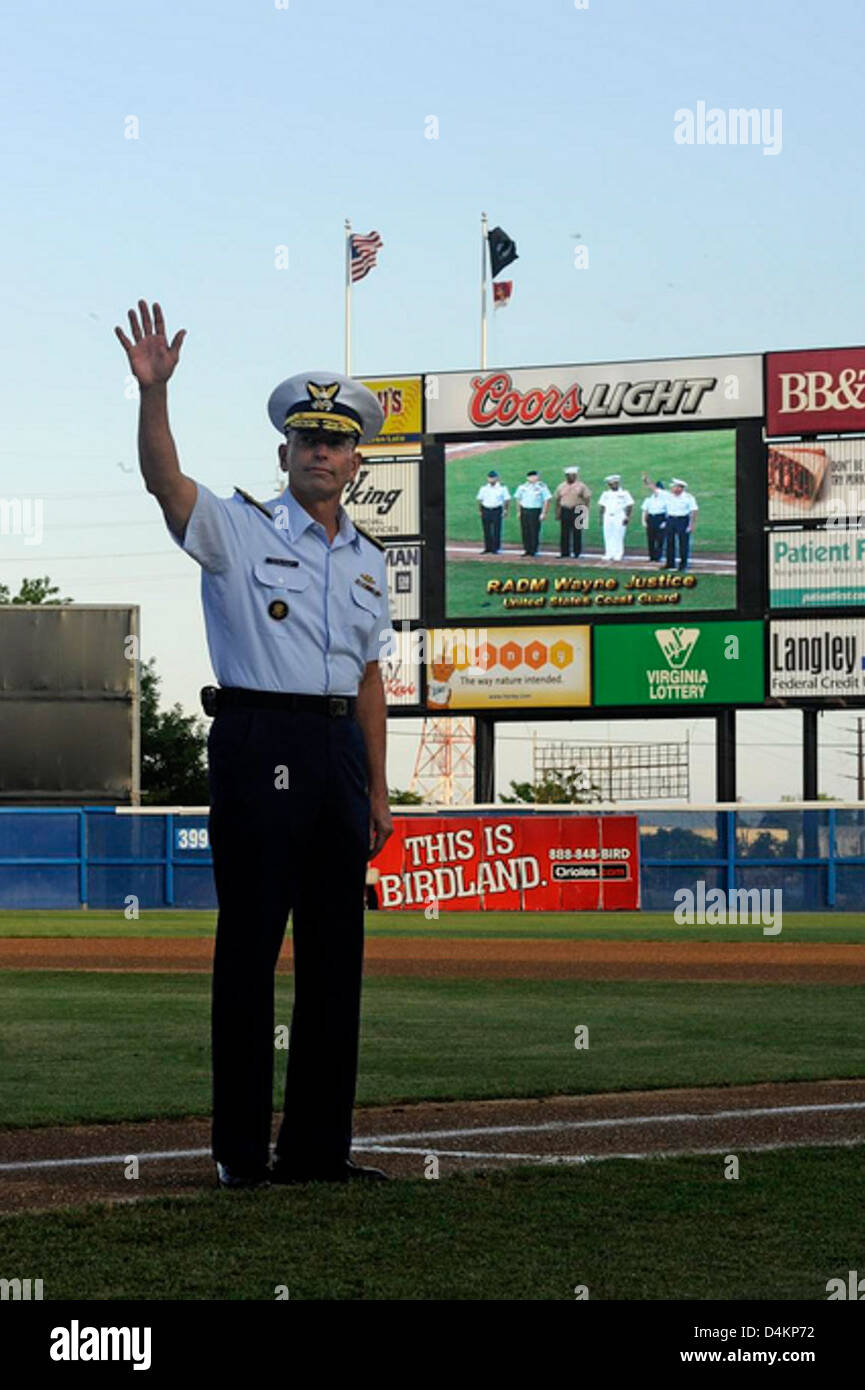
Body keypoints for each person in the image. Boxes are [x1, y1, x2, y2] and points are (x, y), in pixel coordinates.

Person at [115, 300, 394, 1189]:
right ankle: (240, 1154)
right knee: (248, 949)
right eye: (306, 437)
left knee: (334, 956)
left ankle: (317, 1149)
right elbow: (165, 482)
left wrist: (379, 792)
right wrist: (154, 395)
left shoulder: (368, 560)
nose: (320, 450)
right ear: (283, 453)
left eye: (335, 439)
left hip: (336, 754)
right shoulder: (238, 529)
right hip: (256, 734)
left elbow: (368, 683)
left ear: (355, 459)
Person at [554, 466, 592, 558]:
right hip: (565, 509)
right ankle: (564, 552)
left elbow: (587, 498)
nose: (571, 477)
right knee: (564, 533)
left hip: (578, 509)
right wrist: (557, 512)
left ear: (576, 476)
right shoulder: (561, 486)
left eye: (573, 475)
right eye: (569, 475)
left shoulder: (582, 486)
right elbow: (557, 500)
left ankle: (577, 553)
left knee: (577, 533)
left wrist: (585, 511)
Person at [663, 478, 699, 572]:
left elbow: (693, 511)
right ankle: (670, 563)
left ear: (680, 488)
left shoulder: (688, 497)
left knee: (683, 543)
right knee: (669, 542)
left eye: (675, 487)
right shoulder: (669, 496)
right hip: (670, 519)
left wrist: (691, 524)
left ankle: (683, 565)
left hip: (682, 520)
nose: (672, 488)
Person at [514, 469, 552, 556]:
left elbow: (547, 500)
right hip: (525, 510)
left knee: (534, 530)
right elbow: (518, 499)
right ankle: (527, 549)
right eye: (532, 476)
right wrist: (519, 511)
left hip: (535, 510)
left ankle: (534, 550)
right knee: (525, 530)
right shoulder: (522, 487)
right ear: (528, 478)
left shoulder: (542, 487)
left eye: (535, 476)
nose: (534, 478)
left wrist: (544, 513)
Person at [597, 474, 634, 561]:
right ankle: (609, 553)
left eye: (615, 483)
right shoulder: (605, 494)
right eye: (611, 484)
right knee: (608, 534)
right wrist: (601, 517)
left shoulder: (624, 493)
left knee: (618, 535)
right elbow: (602, 506)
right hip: (608, 515)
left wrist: (627, 517)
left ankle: (618, 553)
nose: (613, 485)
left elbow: (630, 505)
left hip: (619, 515)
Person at [475, 469, 510, 553]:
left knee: (496, 530)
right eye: (490, 478)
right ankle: (488, 548)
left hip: (497, 510)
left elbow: (507, 499)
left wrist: (505, 510)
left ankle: (496, 548)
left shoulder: (502, 488)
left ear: (497, 478)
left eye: (493, 478)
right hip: (486, 510)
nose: (491, 480)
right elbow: (480, 500)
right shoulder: (483, 488)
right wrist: (480, 511)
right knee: (486, 530)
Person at [641, 479, 669, 562]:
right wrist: (644, 521)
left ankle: (658, 556)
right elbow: (645, 511)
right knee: (651, 538)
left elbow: (668, 512)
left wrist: (665, 522)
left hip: (660, 518)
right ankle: (652, 556)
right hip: (651, 519)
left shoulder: (666, 499)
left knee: (660, 539)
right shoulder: (649, 499)